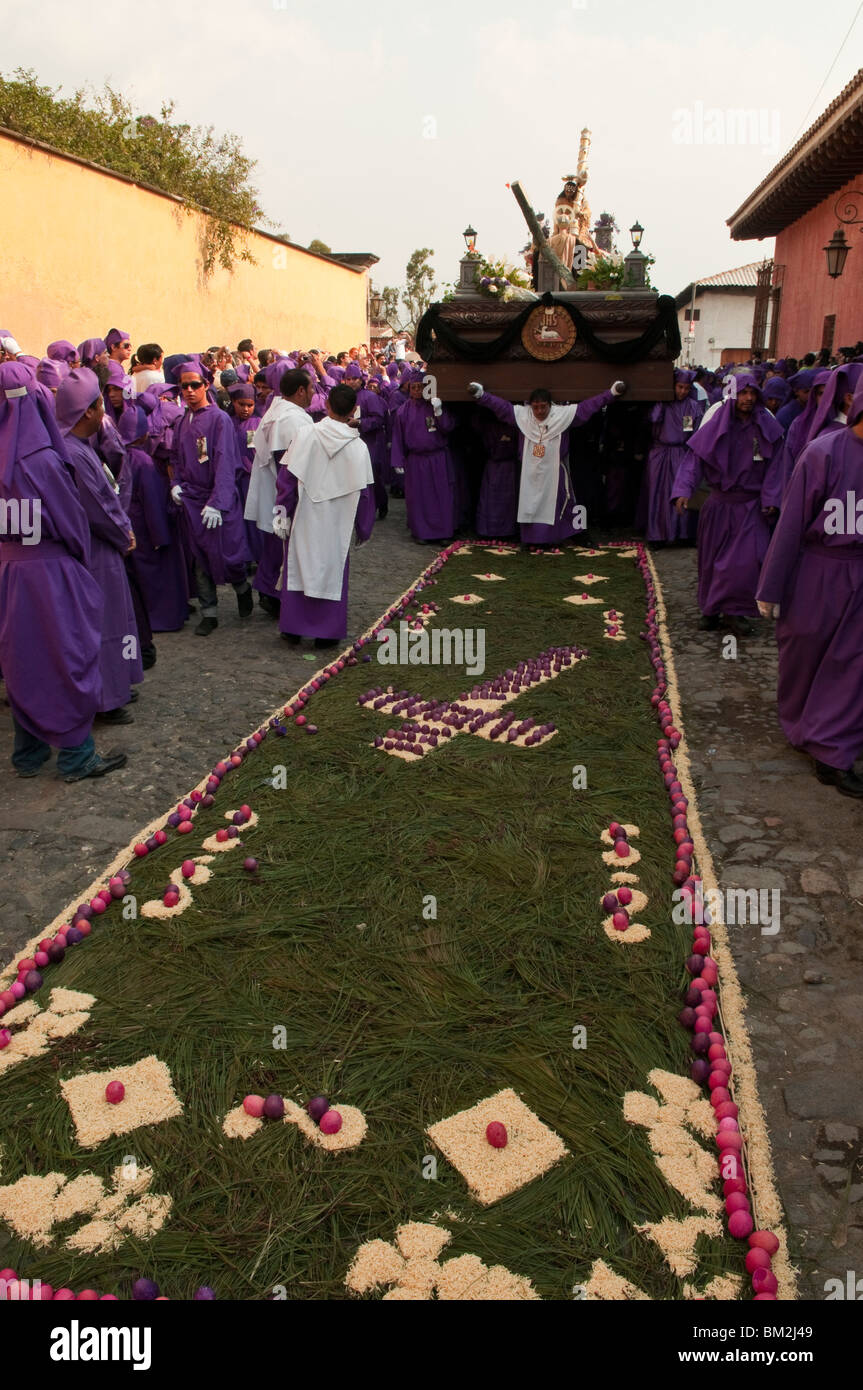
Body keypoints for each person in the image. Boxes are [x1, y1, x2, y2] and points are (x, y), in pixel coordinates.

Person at [0, 362, 127, 781]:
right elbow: (73, 524)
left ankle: (28, 753)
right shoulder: (43, 461)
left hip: (9, 568)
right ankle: (77, 753)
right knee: (69, 656)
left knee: (22, 659)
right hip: (50, 570)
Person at [756, 377, 863, 797]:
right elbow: (790, 526)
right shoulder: (822, 453)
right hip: (820, 570)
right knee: (805, 652)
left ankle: (832, 753)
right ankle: (805, 727)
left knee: (850, 663)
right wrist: (771, 588)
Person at [55, 367, 144, 724]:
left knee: (118, 620)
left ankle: (119, 683)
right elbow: (98, 505)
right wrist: (124, 532)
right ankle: (107, 696)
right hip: (97, 549)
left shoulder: (79, 445)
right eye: (100, 405)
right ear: (89, 411)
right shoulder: (74, 452)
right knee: (105, 624)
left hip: (101, 546)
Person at [671, 373, 784, 636]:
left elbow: (777, 467)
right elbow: (694, 461)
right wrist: (683, 490)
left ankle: (737, 610)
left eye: (752, 393)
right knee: (712, 561)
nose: (747, 398)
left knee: (746, 561)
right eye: (742, 393)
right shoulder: (716, 423)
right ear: (733, 396)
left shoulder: (767, 425)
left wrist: (770, 499)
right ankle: (710, 609)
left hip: (750, 507)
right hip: (720, 504)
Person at [273, 382, 375, 646]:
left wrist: (282, 514)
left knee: (299, 566)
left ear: (327, 405)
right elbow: (365, 494)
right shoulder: (359, 448)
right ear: (355, 409)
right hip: (337, 521)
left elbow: (286, 480)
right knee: (331, 568)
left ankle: (293, 628)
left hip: (305, 514)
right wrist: (364, 529)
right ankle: (326, 633)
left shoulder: (305, 435)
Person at [468, 379, 626, 545]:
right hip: (530, 471)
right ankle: (533, 540)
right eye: (536, 407)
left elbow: (588, 406)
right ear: (530, 406)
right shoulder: (523, 416)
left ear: (550, 405)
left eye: (543, 406)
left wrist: (611, 394)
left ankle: (572, 535)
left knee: (564, 504)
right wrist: (481, 395)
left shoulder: (562, 416)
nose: (540, 411)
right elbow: (500, 406)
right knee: (531, 505)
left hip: (555, 470)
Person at [170, 363, 253, 636]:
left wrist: (218, 502)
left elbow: (226, 462)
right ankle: (210, 612)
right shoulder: (183, 421)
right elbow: (175, 458)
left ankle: (242, 587)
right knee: (200, 558)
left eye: (195, 385)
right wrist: (176, 484)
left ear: (206, 385)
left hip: (220, 498)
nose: (190, 391)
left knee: (229, 555)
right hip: (193, 500)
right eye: (184, 386)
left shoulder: (219, 419)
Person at [246, 367, 315, 617]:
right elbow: (288, 462)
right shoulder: (292, 419)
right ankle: (274, 594)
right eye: (311, 388)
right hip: (284, 492)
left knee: (275, 545)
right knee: (283, 548)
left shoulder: (279, 411)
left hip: (276, 492)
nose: (313, 393)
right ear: (299, 391)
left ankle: (270, 591)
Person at [390, 370, 458, 542]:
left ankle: (444, 532)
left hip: (437, 458)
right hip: (416, 461)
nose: (417, 391)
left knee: (441, 496)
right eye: (414, 387)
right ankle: (422, 533)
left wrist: (439, 411)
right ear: (409, 388)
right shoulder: (402, 411)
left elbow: (448, 428)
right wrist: (397, 460)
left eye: (421, 387)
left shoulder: (434, 406)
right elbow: (398, 437)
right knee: (419, 498)